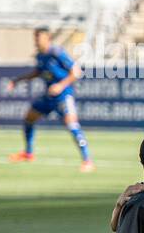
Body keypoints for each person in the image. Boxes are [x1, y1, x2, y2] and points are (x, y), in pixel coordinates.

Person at [9, 27, 92, 171]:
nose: (36, 41)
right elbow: (37, 72)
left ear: (47, 38)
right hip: (48, 96)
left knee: (72, 124)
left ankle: (87, 161)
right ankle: (28, 153)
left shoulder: (57, 53)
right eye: (35, 37)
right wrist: (18, 80)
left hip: (63, 95)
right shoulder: (40, 56)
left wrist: (60, 86)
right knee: (29, 117)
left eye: (39, 37)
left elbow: (76, 72)